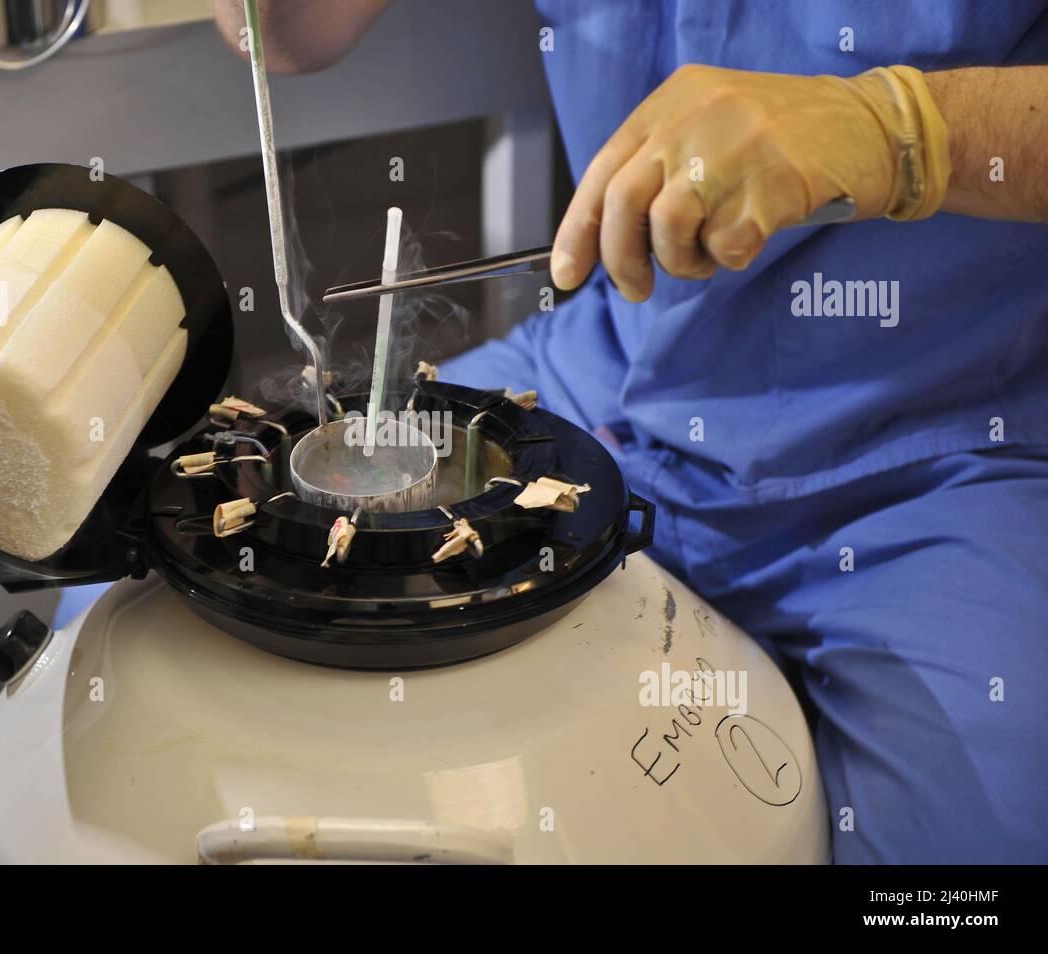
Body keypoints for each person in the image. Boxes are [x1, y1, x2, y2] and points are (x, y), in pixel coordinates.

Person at [208, 0, 1048, 863]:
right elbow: (286, 32)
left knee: (983, 845)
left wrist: (903, 130)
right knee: (156, 626)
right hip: (615, 374)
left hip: (945, 439)